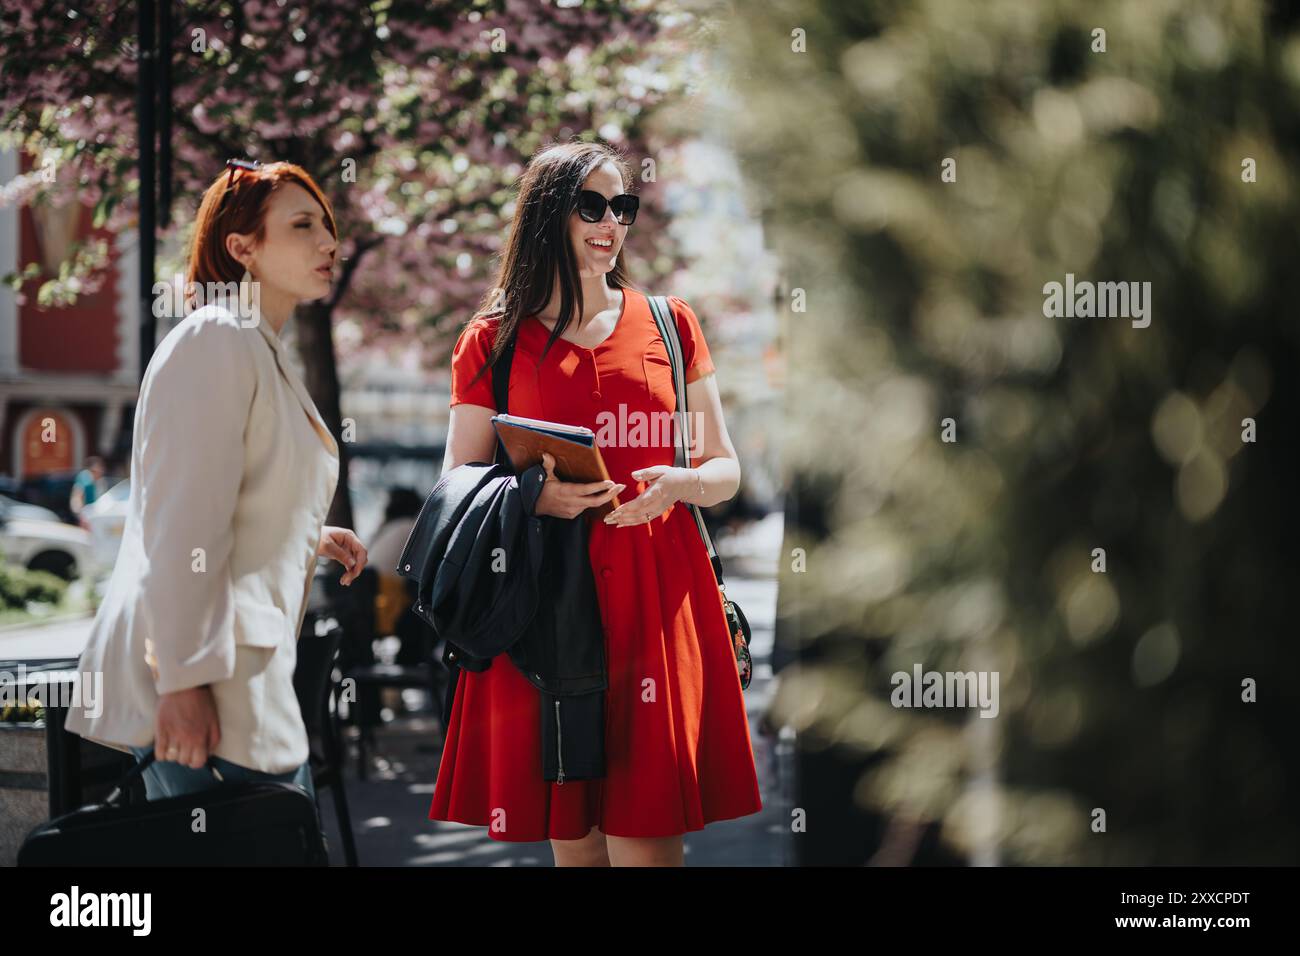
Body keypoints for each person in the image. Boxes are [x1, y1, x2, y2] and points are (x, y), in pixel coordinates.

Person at [428, 140, 763, 866]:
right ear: (550, 216)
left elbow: (724, 466)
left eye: (624, 207)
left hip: (659, 592)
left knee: (649, 836)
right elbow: (458, 478)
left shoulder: (672, 324)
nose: (612, 222)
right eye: (593, 205)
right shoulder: (492, 340)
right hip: (549, 601)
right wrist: (534, 496)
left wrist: (682, 485)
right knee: (575, 843)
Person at [63, 160, 368, 806]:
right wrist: (180, 683)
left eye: (329, 227)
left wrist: (304, 533)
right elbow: (181, 527)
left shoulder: (254, 345)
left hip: (244, 685)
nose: (328, 243)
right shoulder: (217, 340)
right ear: (242, 248)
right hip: (202, 686)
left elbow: (226, 500)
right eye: (302, 225)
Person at [69, 455, 104, 520]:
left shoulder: (100, 481)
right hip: (87, 515)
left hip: (96, 514)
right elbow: (77, 496)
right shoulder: (85, 478)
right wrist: (80, 514)